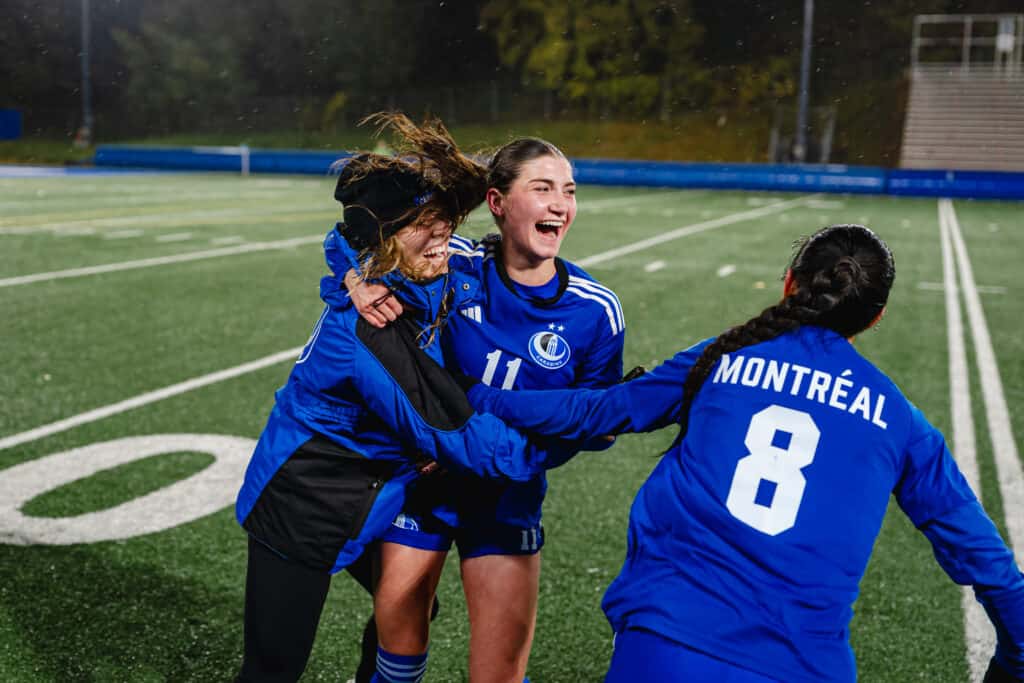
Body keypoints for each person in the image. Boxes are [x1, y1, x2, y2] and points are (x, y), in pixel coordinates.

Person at [465, 224, 1024, 682]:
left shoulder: (720, 358)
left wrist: (476, 396)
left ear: (789, 284)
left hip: (665, 647)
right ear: (874, 316)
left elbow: (593, 412)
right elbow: (993, 568)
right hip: (807, 667)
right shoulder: (902, 421)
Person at [233, 116, 583, 683]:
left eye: (443, 218)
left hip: (375, 487)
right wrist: (571, 433)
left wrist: (349, 272)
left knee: (409, 607)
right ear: (385, 239)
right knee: (274, 665)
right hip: (305, 494)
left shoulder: (428, 268)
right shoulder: (370, 327)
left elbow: (342, 234)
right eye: (421, 224)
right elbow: (455, 433)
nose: (441, 232)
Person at [343, 135, 625, 682]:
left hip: (506, 497)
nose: (560, 204)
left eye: (568, 191)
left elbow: (597, 427)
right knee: (395, 661)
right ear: (498, 204)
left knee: (497, 675)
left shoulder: (596, 311)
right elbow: (357, 241)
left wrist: (505, 444)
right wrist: (355, 282)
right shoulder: (453, 262)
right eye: (541, 188)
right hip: (424, 487)